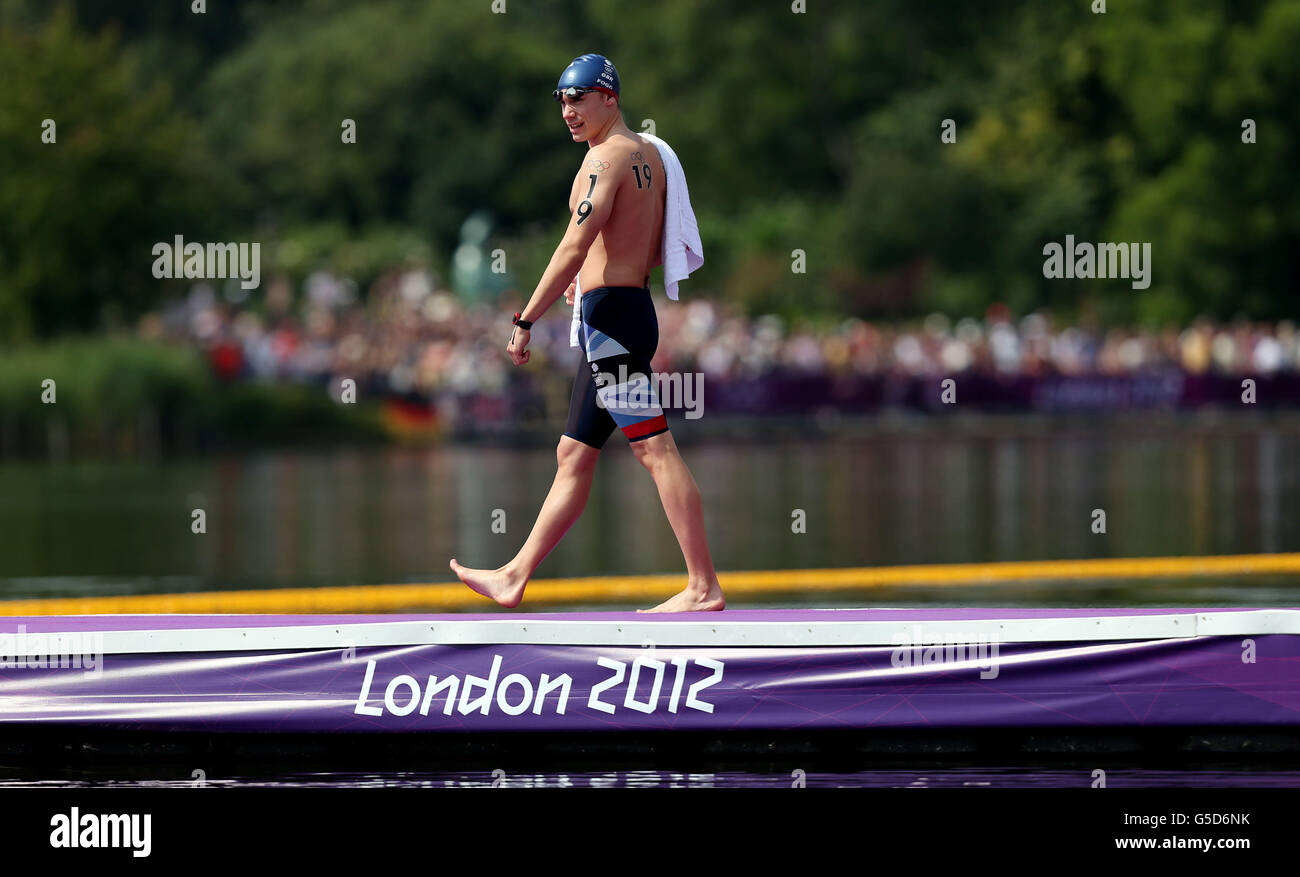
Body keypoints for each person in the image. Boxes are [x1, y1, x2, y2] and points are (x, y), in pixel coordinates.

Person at [450, 54, 725, 613]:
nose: (567, 110)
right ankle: (515, 575)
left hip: (612, 324)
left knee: (656, 449)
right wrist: (597, 277)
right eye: (561, 100)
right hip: (623, 312)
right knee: (573, 455)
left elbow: (575, 243)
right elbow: (644, 241)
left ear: (610, 98)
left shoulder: (606, 159)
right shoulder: (650, 155)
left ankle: (702, 586)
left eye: (578, 97)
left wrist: (525, 319)